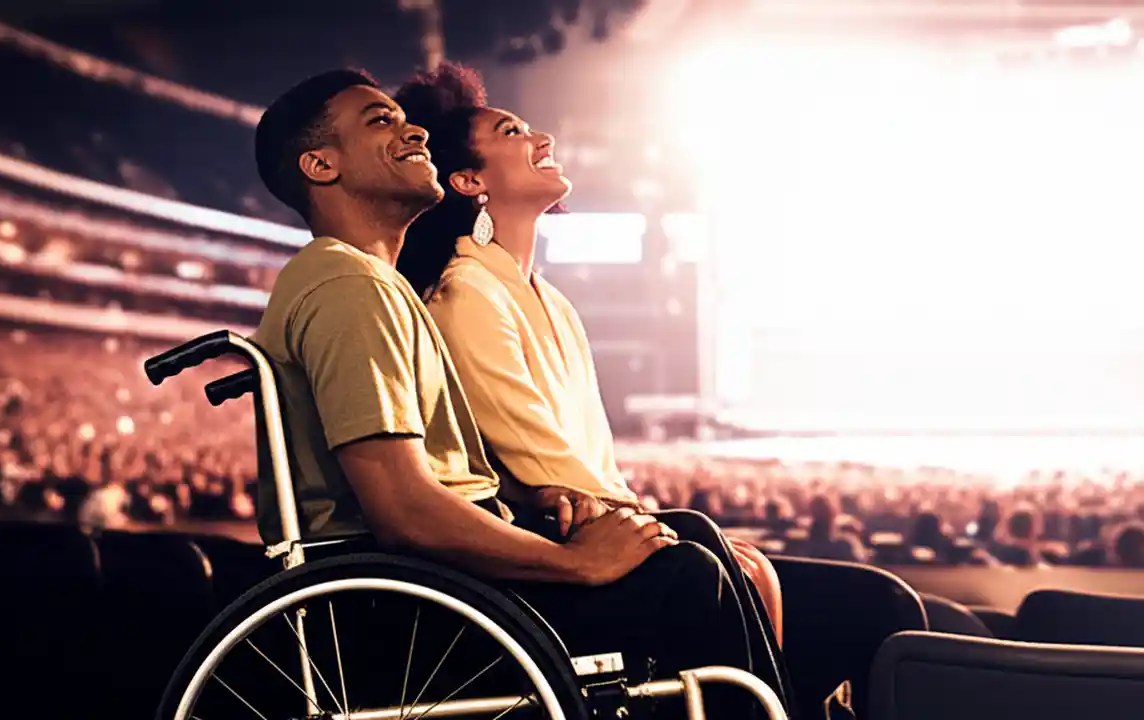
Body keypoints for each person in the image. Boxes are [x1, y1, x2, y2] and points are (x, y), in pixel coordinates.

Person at [249, 69, 781, 720]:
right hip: (407, 609)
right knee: (688, 576)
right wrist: (571, 563)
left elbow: (429, 486)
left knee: (689, 542)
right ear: (320, 165)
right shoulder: (349, 289)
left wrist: (532, 498)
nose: (413, 128)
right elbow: (402, 510)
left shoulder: (370, 284)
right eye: (379, 121)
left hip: (430, 587)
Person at [392, 63, 786, 647]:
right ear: (470, 181)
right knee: (724, 567)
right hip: (541, 538)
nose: (541, 139)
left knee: (750, 567)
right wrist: (638, 524)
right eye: (511, 133)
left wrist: (635, 516)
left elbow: (588, 453)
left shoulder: (551, 301)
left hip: (584, 512)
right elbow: (530, 448)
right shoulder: (465, 292)